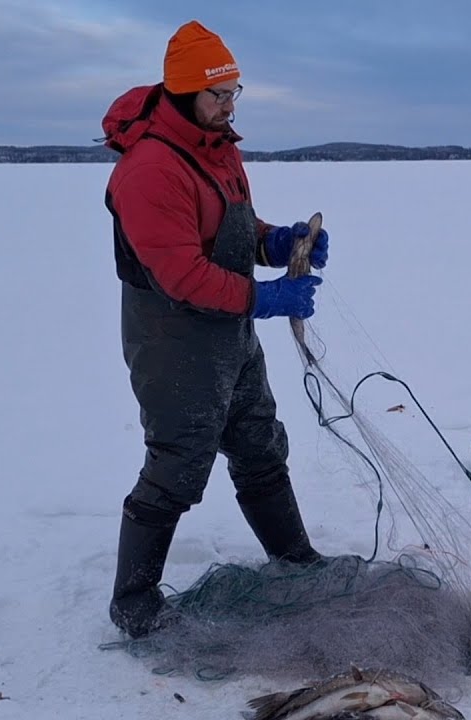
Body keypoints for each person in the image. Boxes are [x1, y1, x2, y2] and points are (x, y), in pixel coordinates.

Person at [98, 19, 330, 638]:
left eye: (234, 92)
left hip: (230, 331)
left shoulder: (218, 147)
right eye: (217, 94)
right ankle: (135, 600)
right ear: (183, 94)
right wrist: (268, 297)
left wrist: (277, 242)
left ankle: (295, 560)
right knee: (178, 461)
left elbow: (230, 233)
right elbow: (180, 273)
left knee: (258, 441)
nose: (229, 106)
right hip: (173, 339)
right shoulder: (150, 169)